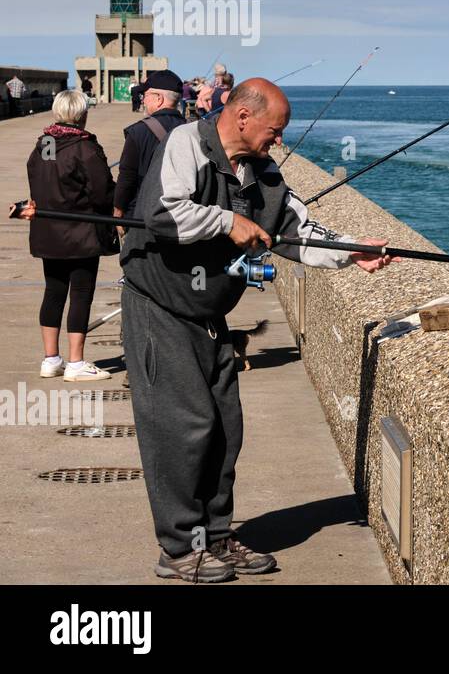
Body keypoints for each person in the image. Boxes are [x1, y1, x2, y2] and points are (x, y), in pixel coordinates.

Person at [119, 77, 394, 582]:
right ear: (243, 116)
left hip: (208, 315)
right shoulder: (187, 143)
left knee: (225, 427)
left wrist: (352, 251)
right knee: (183, 428)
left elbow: (294, 231)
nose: (279, 140)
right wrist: (228, 222)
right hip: (159, 307)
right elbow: (162, 215)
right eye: (275, 129)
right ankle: (180, 547)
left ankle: (217, 538)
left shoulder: (264, 173)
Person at [19, 90, 116, 381]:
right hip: (80, 232)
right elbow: (102, 192)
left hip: (48, 230)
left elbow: (36, 177)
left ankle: (51, 359)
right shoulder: (84, 147)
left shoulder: (43, 143)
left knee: (53, 292)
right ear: (82, 114)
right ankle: (75, 362)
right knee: (81, 293)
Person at [113, 69, 187, 223]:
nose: (143, 101)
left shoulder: (138, 131)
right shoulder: (194, 129)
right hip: (182, 215)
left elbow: (127, 177)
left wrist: (118, 210)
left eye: (145, 96)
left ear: (159, 98)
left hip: (143, 216)